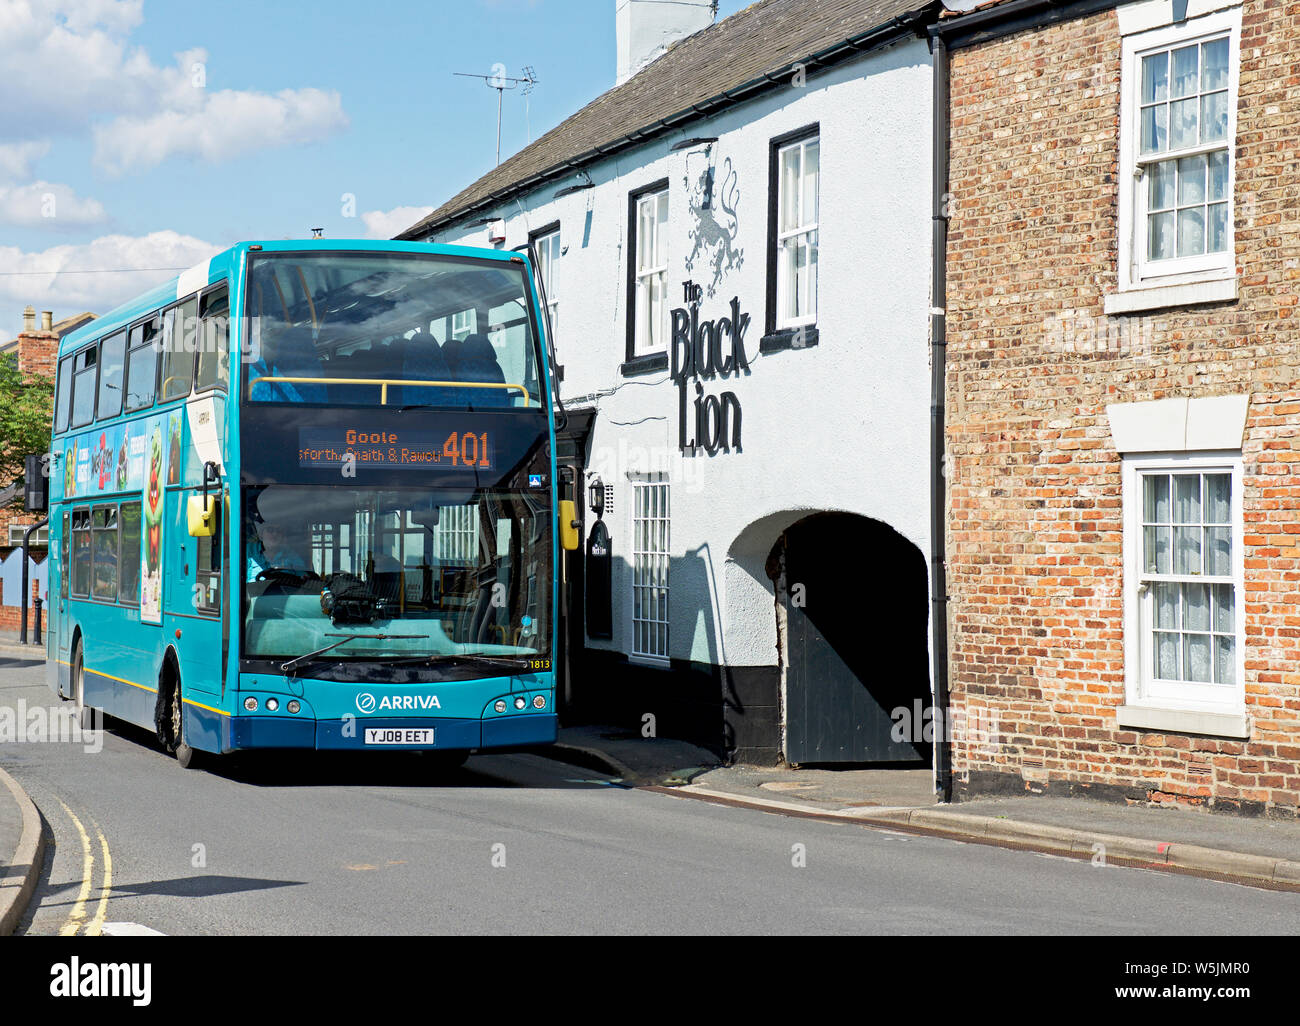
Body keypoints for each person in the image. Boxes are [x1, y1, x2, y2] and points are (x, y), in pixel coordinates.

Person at [246, 520, 311, 582]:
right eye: (270, 530)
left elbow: (301, 572)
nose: (275, 534)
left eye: (279, 531)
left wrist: (303, 576)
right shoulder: (248, 551)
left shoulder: (289, 553)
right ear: (261, 534)